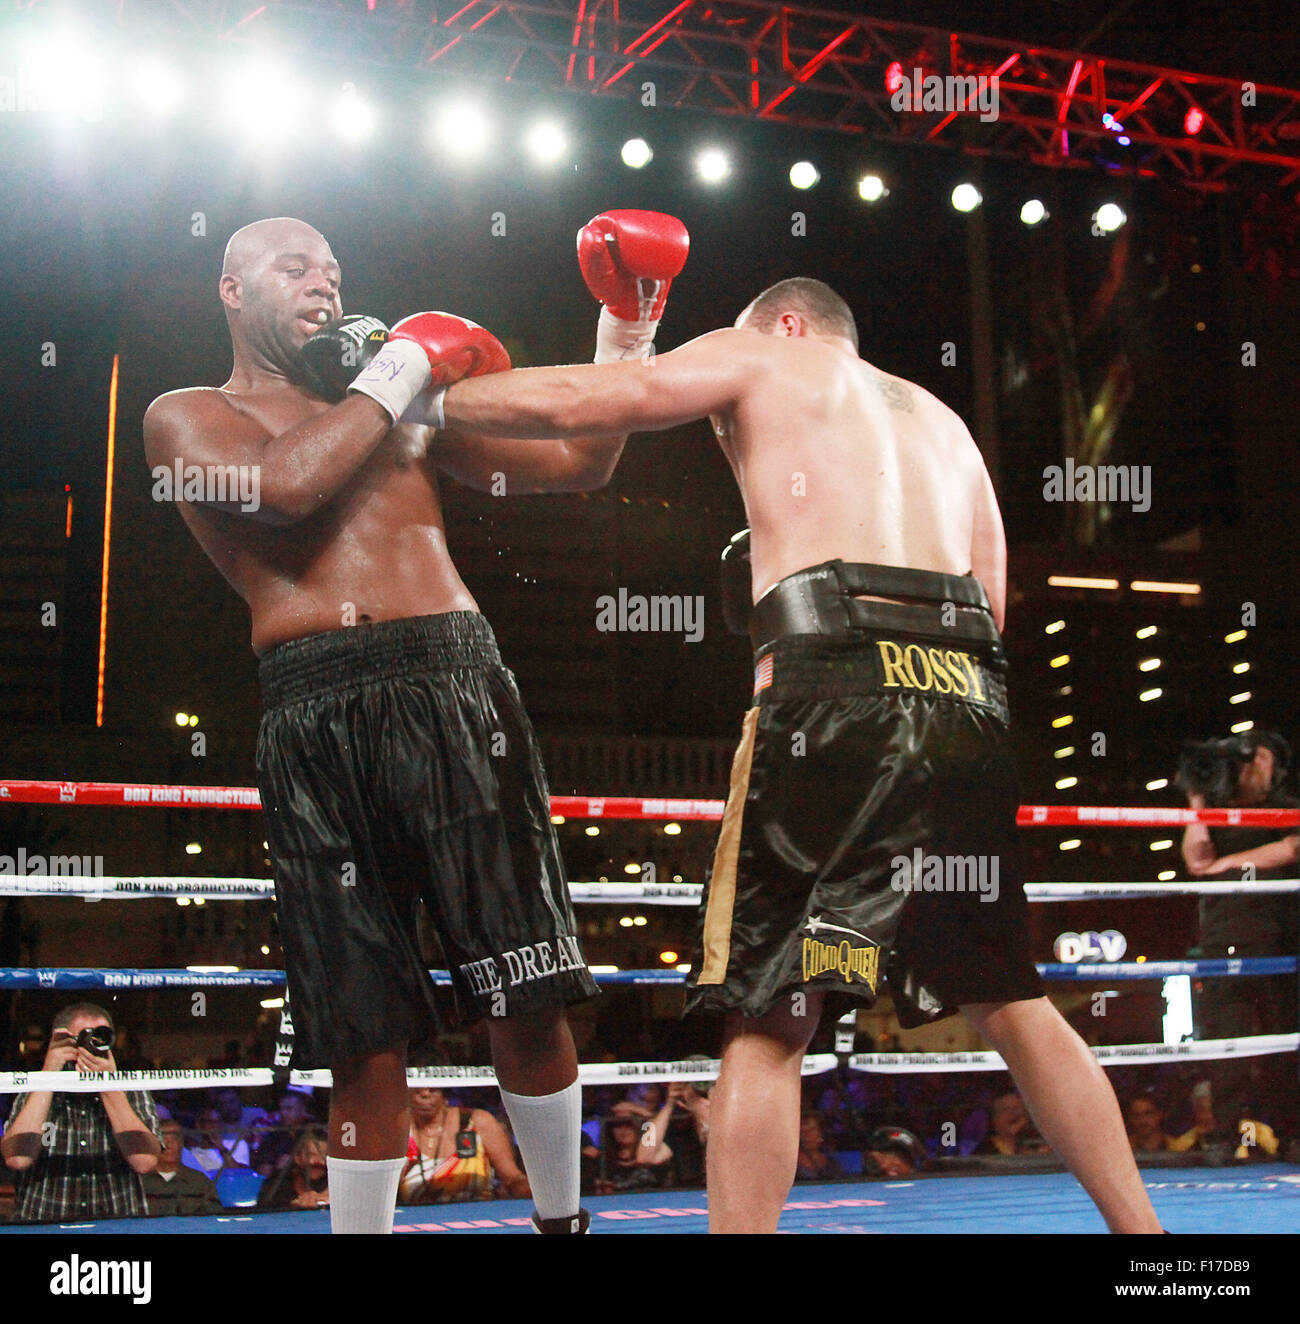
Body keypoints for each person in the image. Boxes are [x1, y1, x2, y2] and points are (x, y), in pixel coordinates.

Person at [431, 275, 1166, 1234]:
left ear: (786, 323)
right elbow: (991, 593)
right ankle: (1151, 1249)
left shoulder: (765, 352)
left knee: (773, 1013)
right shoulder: (946, 423)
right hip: (969, 703)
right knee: (1011, 998)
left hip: (834, 690)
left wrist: (414, 390)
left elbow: (586, 402)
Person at [143, 212, 685, 1234]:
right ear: (231, 289)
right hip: (311, 706)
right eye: (294, 267)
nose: (323, 283)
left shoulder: (398, 403)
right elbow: (286, 487)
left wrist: (627, 323)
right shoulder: (186, 416)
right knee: (363, 1028)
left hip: (453, 685)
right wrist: (399, 368)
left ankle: (563, 1226)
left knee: (523, 987)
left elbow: (581, 463)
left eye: (335, 268)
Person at [1181, 729, 1299, 1143]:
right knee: (1224, 1046)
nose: (1255, 765)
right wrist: (1196, 797)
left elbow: (1291, 848)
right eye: (1248, 758)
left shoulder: (1288, 808)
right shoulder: (1214, 811)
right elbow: (1197, 861)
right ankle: (1225, 1137)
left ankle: (1292, 1134)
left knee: (1285, 1044)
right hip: (1223, 941)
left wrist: (1225, 864)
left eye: (1263, 757)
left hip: (1281, 942)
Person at [0, 1003, 162, 1223]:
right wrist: (49, 1074)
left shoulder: (130, 1088)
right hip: (44, 1223)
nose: (92, 1045)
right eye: (84, 1039)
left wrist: (110, 1086)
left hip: (117, 1224)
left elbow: (144, 1162)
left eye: (101, 1037)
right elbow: (17, 1159)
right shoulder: (34, 1086)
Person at [398, 1086, 530, 1203]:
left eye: (432, 1090)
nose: (425, 1095)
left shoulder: (478, 1121)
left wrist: (539, 1194)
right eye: (418, 1091)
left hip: (479, 1216)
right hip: (417, 1219)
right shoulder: (399, 1131)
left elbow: (512, 1178)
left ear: (444, 1092)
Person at [142, 1119, 224, 1217]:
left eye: (174, 1139)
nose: (169, 1145)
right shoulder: (140, 1182)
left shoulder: (200, 1182)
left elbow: (213, 1220)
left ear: (181, 1143)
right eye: (162, 1139)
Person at [257, 1127, 330, 1211]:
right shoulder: (276, 1186)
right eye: (311, 1155)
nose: (319, 1161)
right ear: (297, 1157)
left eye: (324, 1156)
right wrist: (294, 1207)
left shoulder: (335, 1185)